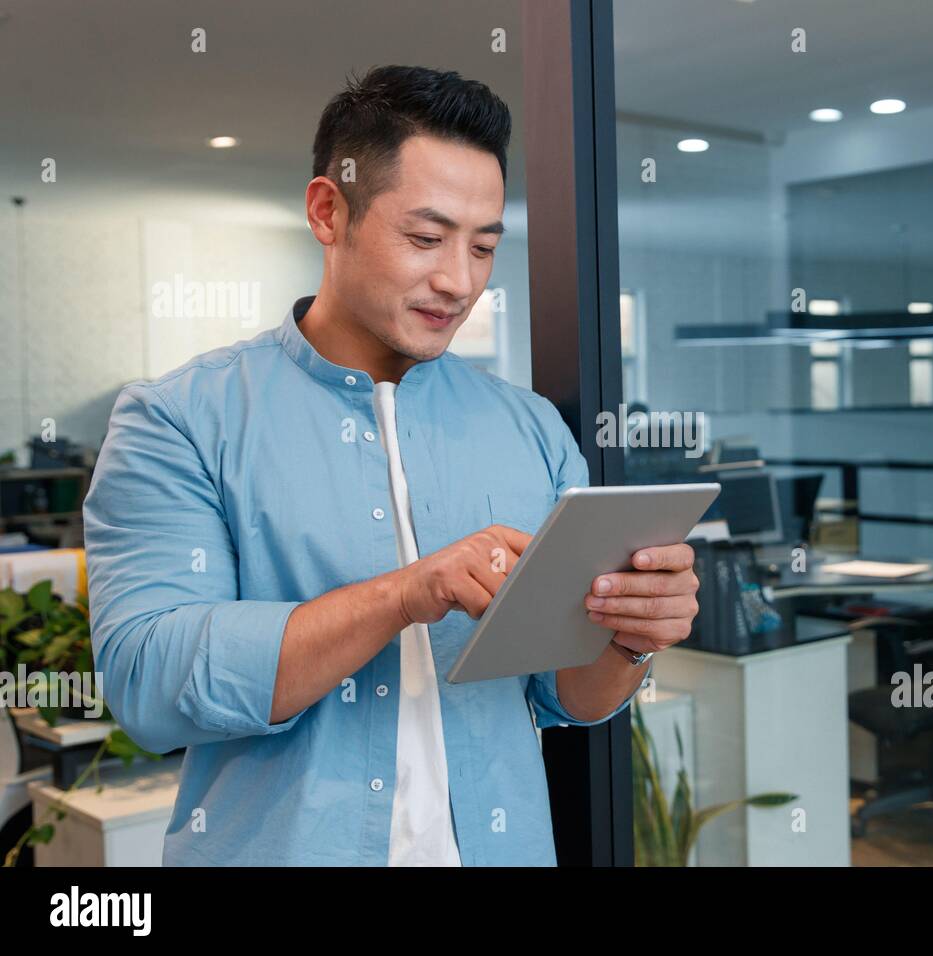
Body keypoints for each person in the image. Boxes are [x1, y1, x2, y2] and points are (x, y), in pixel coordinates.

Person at [82, 65, 699, 866]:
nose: (460, 281)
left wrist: (628, 638)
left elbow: (564, 698)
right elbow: (148, 685)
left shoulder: (532, 429)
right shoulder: (178, 419)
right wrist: (406, 594)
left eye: (483, 247)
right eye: (425, 238)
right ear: (328, 211)